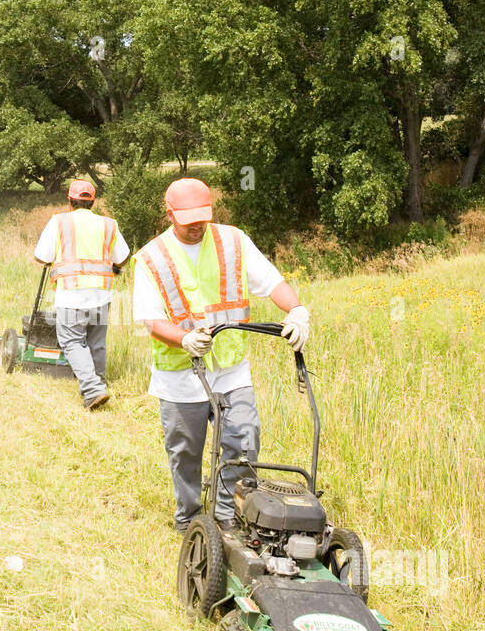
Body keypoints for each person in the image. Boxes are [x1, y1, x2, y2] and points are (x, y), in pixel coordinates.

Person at [133, 178, 310, 532]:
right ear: (170, 215)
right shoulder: (151, 257)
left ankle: (228, 517)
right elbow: (149, 319)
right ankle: (189, 518)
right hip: (180, 375)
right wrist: (183, 339)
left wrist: (297, 310)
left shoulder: (233, 241)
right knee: (185, 452)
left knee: (244, 442)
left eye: (203, 216)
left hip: (230, 370)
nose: (197, 225)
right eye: (188, 220)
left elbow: (272, 282)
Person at [34, 180, 131, 410]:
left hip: (72, 294)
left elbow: (41, 256)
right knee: (96, 342)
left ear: (69, 201)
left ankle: (92, 389)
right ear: (93, 202)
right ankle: (100, 383)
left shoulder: (59, 221)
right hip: (101, 294)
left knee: (72, 342)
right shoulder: (109, 224)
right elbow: (123, 258)